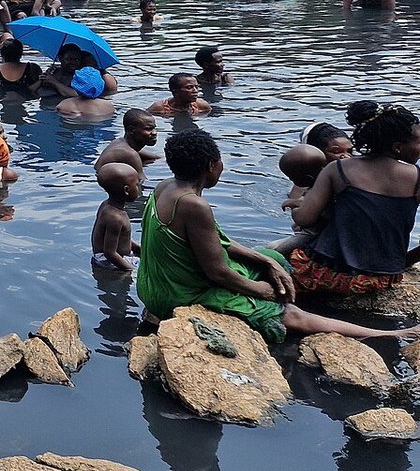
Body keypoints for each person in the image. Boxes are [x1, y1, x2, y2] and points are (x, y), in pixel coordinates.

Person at [138, 127, 406, 342]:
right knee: (288, 313)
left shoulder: (165, 187)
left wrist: (267, 263)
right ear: (211, 166)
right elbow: (217, 272)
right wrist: (262, 292)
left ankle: (270, 275)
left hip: (153, 285)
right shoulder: (194, 205)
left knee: (270, 256)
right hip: (178, 294)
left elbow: (220, 242)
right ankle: (386, 334)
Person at [289, 105, 420, 295]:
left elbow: (303, 219)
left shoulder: (338, 169)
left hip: (324, 273)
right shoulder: (416, 178)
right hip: (379, 280)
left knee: (273, 256)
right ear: (397, 147)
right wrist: (403, 261)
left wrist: (297, 206)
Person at [93, 163, 142, 272]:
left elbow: (121, 237)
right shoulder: (116, 218)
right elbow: (110, 253)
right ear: (126, 190)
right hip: (109, 263)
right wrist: (131, 270)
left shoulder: (106, 205)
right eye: (137, 185)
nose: (139, 189)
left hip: (109, 258)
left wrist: (140, 249)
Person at [96, 109, 159, 175]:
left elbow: (156, 158)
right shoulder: (129, 153)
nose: (154, 132)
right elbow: (141, 181)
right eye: (148, 129)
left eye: (154, 128)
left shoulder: (120, 142)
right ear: (131, 130)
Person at [147, 73, 212, 118]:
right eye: (189, 87)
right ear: (176, 91)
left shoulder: (201, 106)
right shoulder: (158, 108)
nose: (195, 91)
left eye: (196, 87)